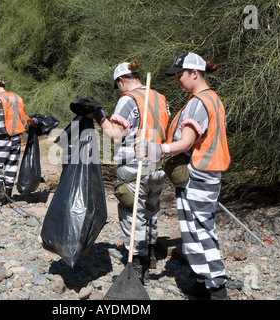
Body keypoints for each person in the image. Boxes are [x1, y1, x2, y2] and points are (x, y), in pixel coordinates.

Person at [146, 52, 231, 299]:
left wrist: (160, 149)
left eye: (180, 75)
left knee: (199, 231)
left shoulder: (198, 102)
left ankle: (216, 289)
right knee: (197, 229)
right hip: (207, 174)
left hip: (199, 176)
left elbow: (187, 141)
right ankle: (204, 281)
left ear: (195, 73)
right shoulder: (212, 99)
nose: (177, 80)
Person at [90, 60, 170, 283]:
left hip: (134, 167)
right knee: (151, 213)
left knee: (132, 217)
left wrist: (99, 117)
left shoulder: (128, 99)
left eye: (118, 86)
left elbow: (115, 136)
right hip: (157, 166)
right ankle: (151, 255)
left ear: (121, 81)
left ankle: (137, 267)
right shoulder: (159, 97)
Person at [0, 78, 37, 205]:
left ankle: (0, 192)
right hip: (16, 139)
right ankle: (9, 195)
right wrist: (34, 121)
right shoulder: (17, 98)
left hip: (0, 139)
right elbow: (23, 117)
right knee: (11, 166)